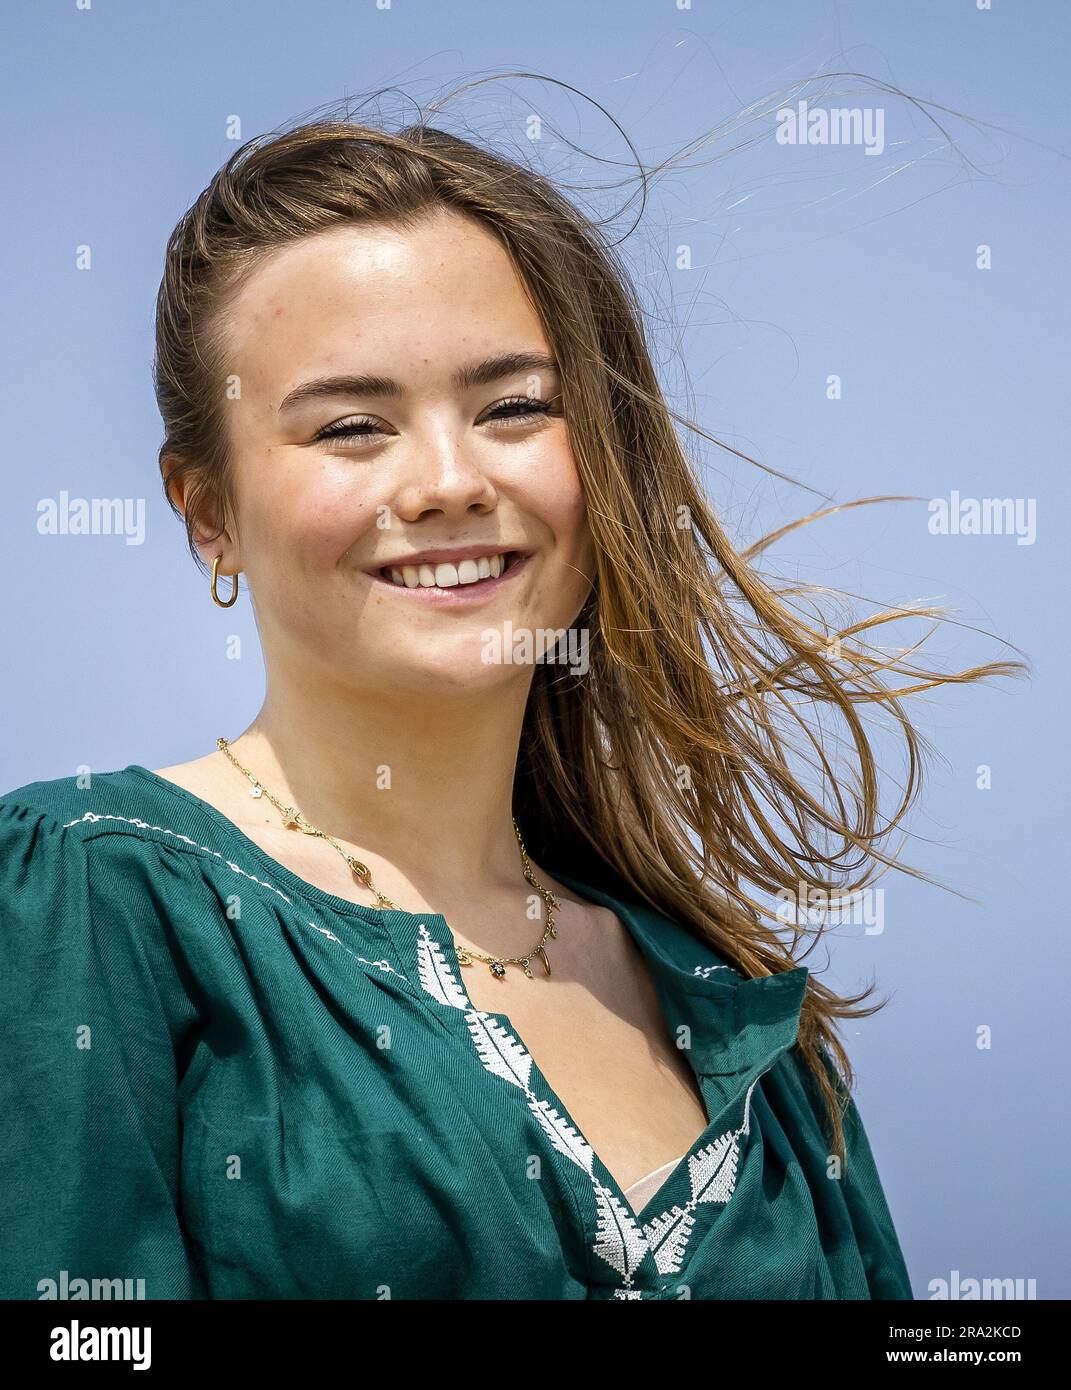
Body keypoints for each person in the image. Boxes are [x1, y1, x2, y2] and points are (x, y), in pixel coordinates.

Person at [0, 112, 1012, 1301]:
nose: (449, 482)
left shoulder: (743, 1020)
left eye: (515, 407)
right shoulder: (88, 892)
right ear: (205, 508)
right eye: (351, 427)